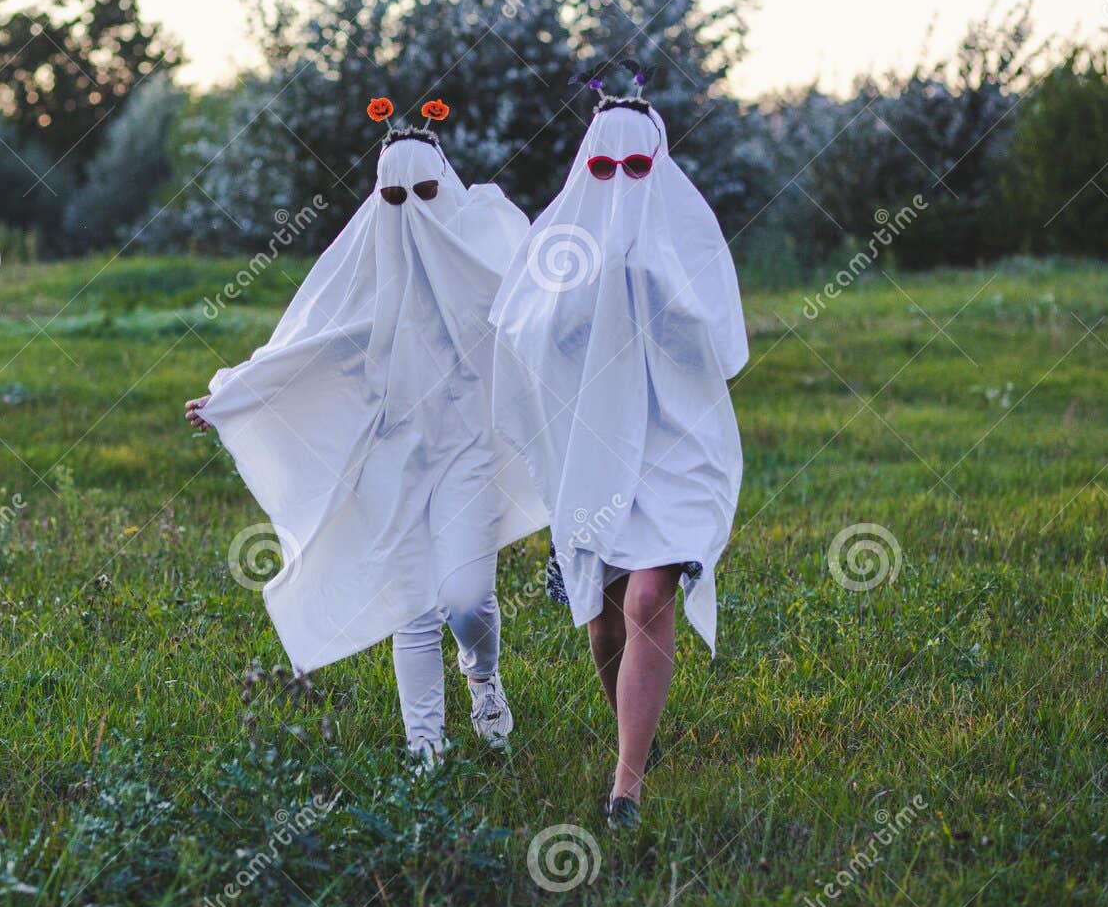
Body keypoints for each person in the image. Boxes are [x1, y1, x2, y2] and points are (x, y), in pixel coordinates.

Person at [186, 98, 547, 763]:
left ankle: (483, 673)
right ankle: (425, 749)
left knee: (466, 599)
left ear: (449, 187)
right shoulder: (368, 278)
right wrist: (233, 396)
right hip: (391, 454)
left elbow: (541, 319)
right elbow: (312, 344)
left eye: (427, 192)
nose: (410, 209)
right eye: (394, 194)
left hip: (468, 450)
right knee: (411, 604)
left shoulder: (491, 265)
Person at [489, 70, 748, 825]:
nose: (621, 182)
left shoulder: (686, 237)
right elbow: (522, 336)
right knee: (604, 621)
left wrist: (653, 278)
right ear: (584, 167)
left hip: (676, 450)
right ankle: (634, 730)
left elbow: (723, 347)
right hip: (595, 458)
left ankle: (625, 785)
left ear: (659, 167)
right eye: (605, 168)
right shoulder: (560, 245)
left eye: (637, 169)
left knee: (644, 599)